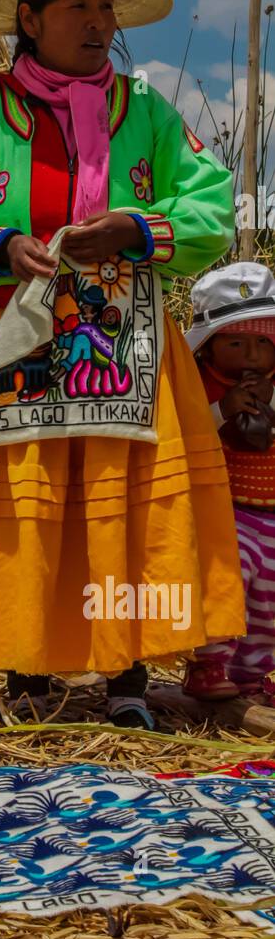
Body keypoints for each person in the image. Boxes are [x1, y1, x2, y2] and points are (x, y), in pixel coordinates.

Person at [0, 0, 245, 730]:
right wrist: (2, 246)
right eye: (77, 7)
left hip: (123, 341)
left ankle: (126, 674)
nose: (98, 23)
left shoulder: (146, 112)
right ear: (30, 19)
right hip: (13, 333)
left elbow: (209, 207)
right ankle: (27, 670)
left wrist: (137, 228)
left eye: (105, 7)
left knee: (120, 498)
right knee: (26, 499)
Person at [183, 262, 275, 706]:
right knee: (224, 582)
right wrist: (223, 409)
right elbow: (183, 431)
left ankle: (251, 674)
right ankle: (208, 665)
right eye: (236, 343)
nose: (251, 355)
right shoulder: (195, 384)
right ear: (208, 349)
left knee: (268, 601)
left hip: (270, 511)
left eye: (263, 343)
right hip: (224, 509)